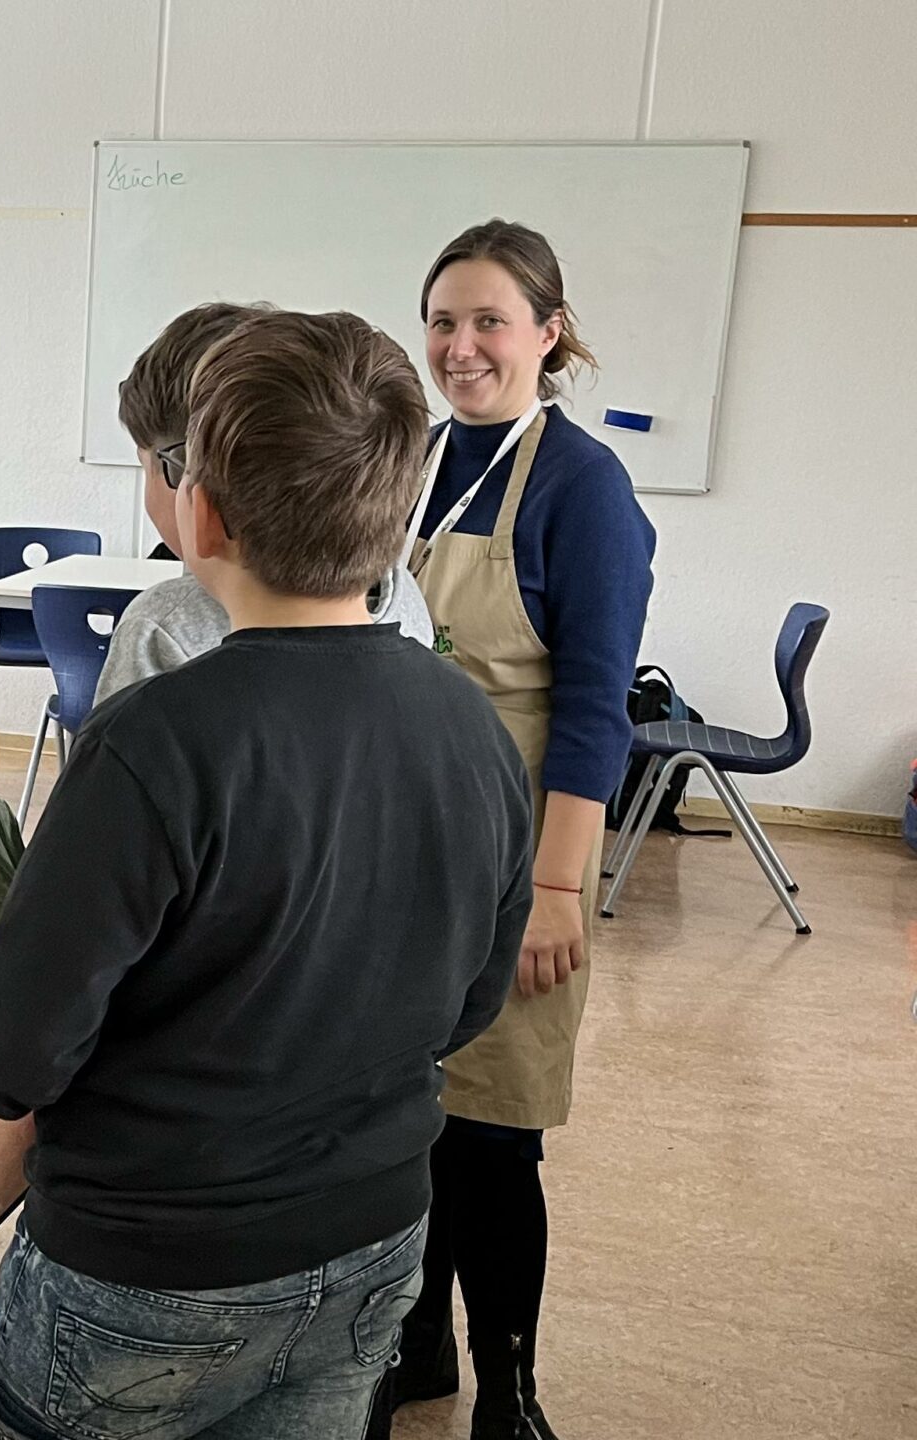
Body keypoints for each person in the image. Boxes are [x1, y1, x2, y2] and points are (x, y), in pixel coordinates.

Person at [0, 310, 534, 1439]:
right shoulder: (469, 724)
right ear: (396, 507)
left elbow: (10, 1058)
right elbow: (468, 1003)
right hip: (371, 1244)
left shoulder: (151, 742)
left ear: (201, 509)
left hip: (150, 1265)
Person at [0, 299, 440, 1235]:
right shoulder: (440, 681)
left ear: (193, 489)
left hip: (164, 1205)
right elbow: (461, 990)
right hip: (358, 1193)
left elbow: (72, 977)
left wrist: (9, 1126)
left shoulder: (164, 662)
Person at [378, 220, 657, 1440]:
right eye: (443, 321)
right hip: (395, 851)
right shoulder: (416, 458)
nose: (460, 346)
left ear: (548, 333)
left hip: (510, 861)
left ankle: (513, 1396)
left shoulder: (584, 489)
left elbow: (598, 708)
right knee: (402, 1124)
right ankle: (418, 1350)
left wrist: (556, 891)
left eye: (489, 321)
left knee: (491, 1138)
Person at [96, 300, 437, 697]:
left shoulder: (162, 628)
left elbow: (114, 752)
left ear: (187, 478)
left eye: (145, 466)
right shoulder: (405, 597)